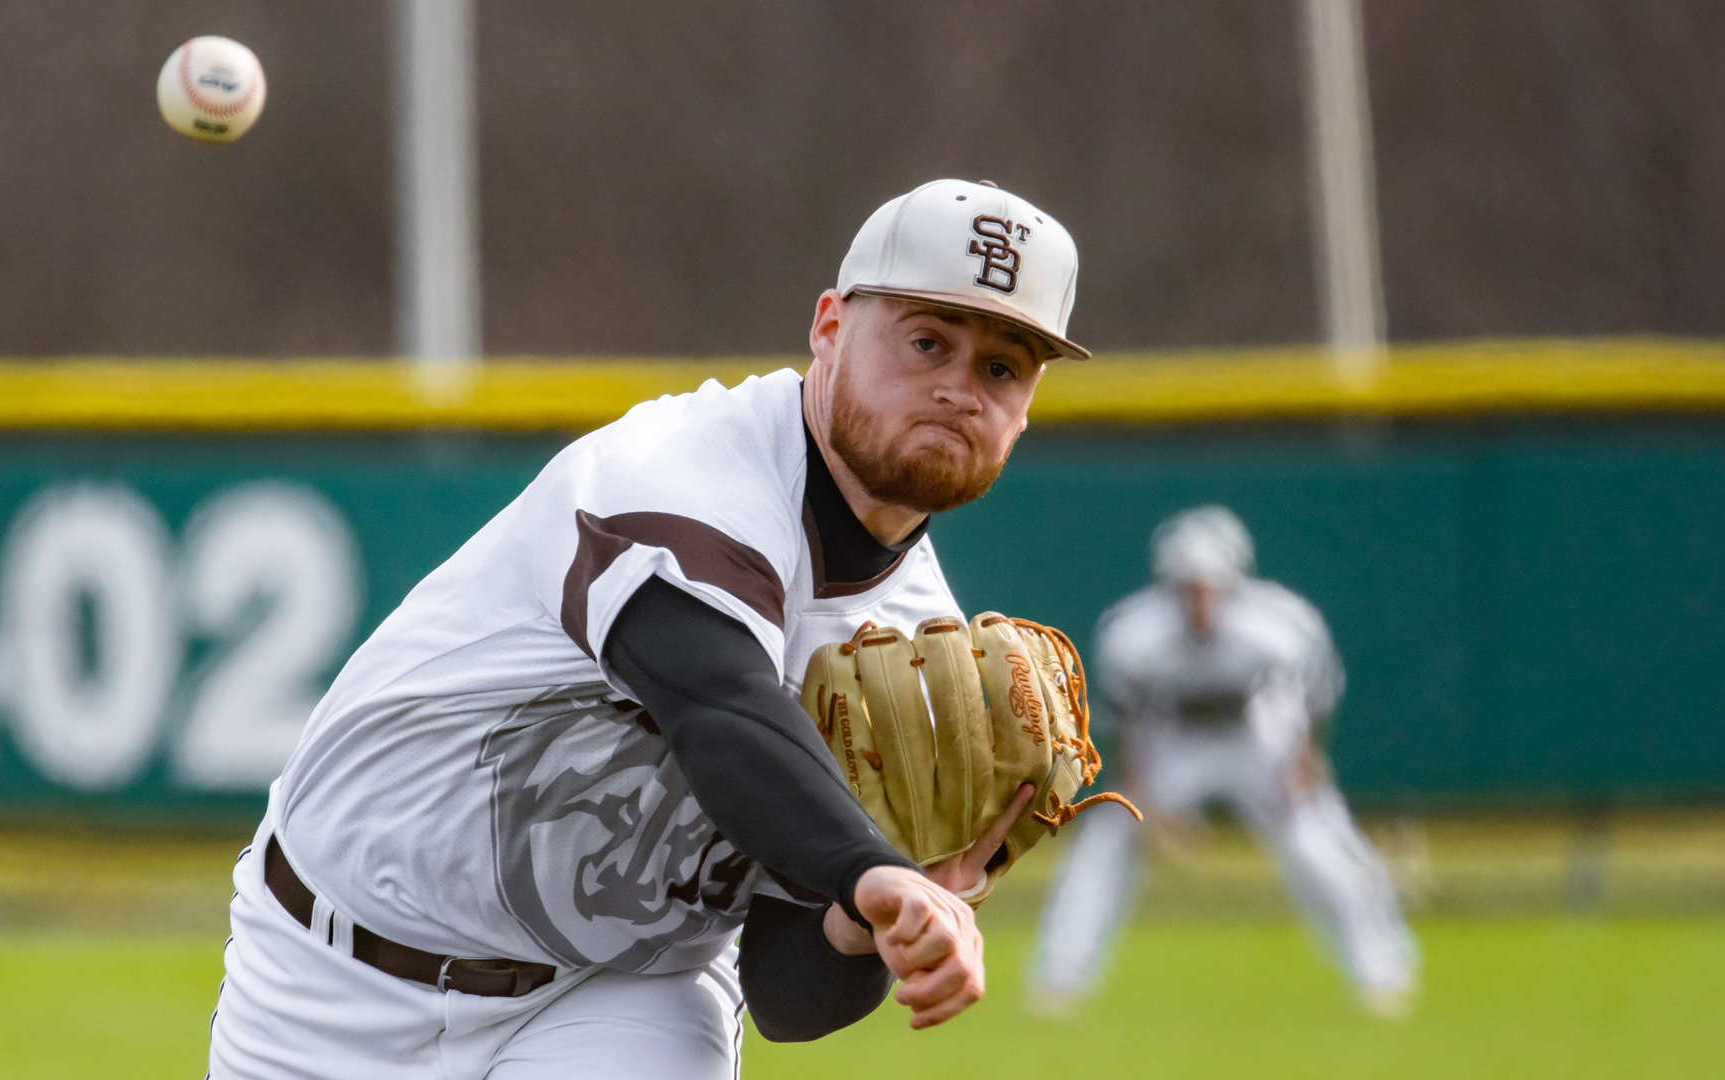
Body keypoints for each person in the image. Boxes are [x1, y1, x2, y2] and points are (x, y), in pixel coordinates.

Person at [207, 178, 1092, 1079]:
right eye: (927, 341)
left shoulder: (924, 663)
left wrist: (880, 917)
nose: (957, 389)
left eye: (1001, 368)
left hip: (616, 994)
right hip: (332, 968)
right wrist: (869, 864)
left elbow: (787, 994)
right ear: (829, 327)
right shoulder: (684, 469)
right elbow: (716, 702)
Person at [1027, 506, 1419, 1018]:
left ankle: (1382, 971)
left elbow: (1314, 699)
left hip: (1256, 733)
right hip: (1177, 739)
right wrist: (1140, 795)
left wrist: (1304, 764)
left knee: (1314, 838)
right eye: (1187, 586)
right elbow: (1129, 722)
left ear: (1233, 581)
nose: (1199, 598)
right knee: (1110, 834)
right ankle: (1061, 977)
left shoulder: (1278, 626)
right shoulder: (1133, 634)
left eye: (1209, 585)